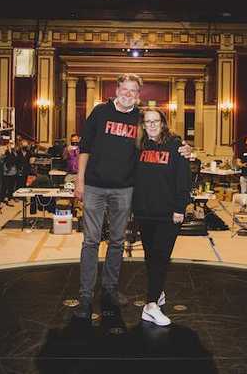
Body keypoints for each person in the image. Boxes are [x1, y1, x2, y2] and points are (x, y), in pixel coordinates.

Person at [72, 74, 191, 320]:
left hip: (124, 189)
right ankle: (85, 296)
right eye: (124, 89)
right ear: (117, 90)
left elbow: (160, 136)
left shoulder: (139, 118)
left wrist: (184, 148)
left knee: (117, 242)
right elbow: (85, 148)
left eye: (133, 91)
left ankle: (109, 290)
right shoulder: (100, 112)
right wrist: (79, 181)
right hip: (94, 186)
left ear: (138, 95)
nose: (128, 94)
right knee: (90, 241)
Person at [132, 108, 190, 326]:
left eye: (156, 121)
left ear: (163, 123)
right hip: (144, 212)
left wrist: (180, 207)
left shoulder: (176, 145)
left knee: (161, 256)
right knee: (150, 256)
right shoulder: (138, 146)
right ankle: (157, 292)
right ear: (143, 125)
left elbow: (183, 178)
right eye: (148, 122)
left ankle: (150, 305)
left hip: (168, 213)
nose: (152, 125)